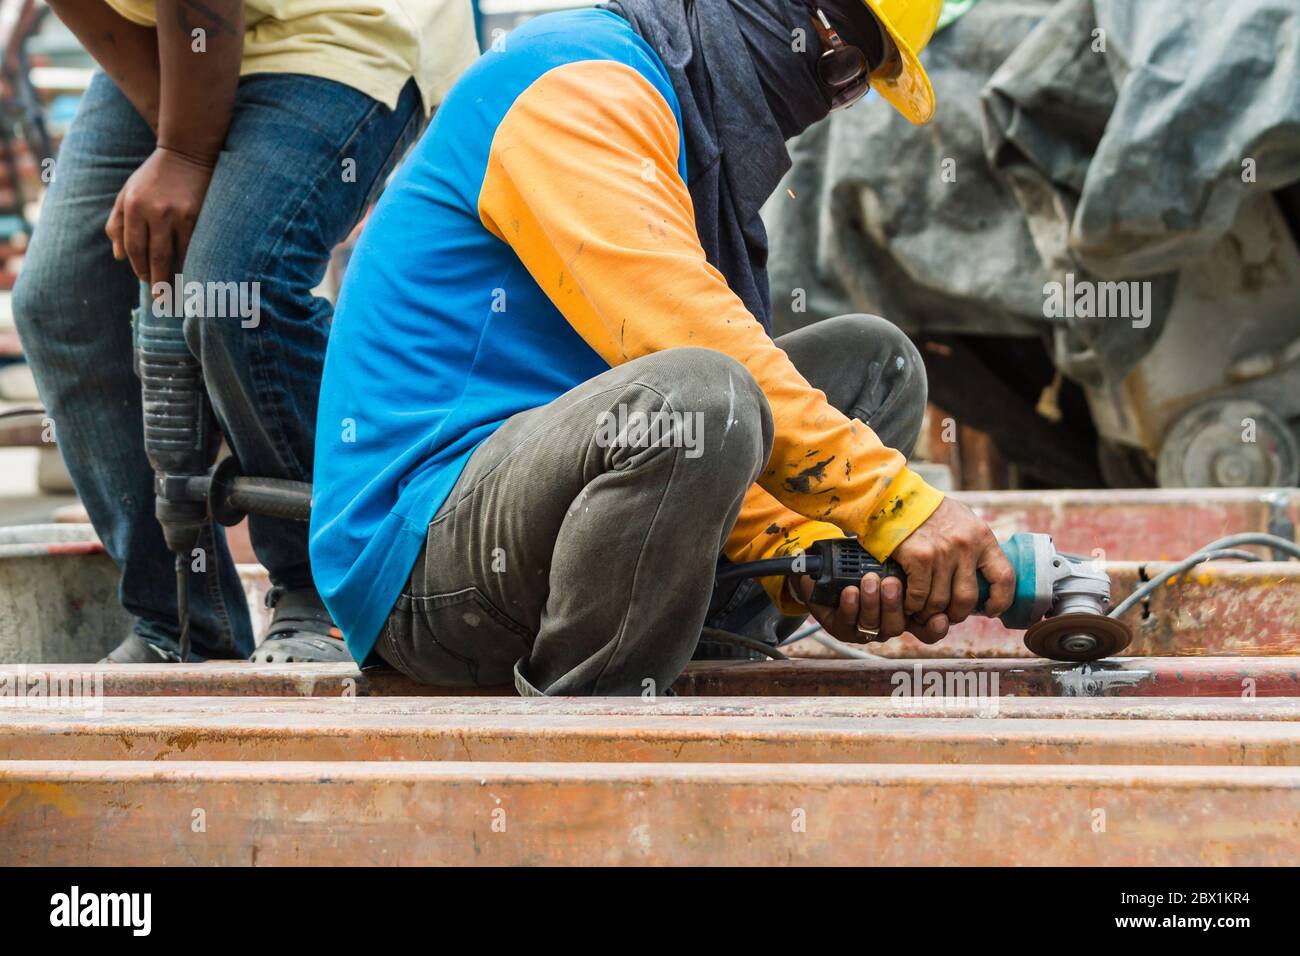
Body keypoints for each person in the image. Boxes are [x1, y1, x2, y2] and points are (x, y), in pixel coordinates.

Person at [311, 0, 1017, 696]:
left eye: (857, 82)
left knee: (872, 365)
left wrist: (804, 554)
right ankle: (597, 725)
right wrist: (897, 505)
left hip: (577, 494)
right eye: (837, 62)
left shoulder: (687, 130)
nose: (830, 100)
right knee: (704, 397)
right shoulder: (578, 80)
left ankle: (707, 645)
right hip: (426, 557)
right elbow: (688, 344)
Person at [14, 0, 478, 663]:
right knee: (62, 299)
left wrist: (183, 152)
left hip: (335, 24)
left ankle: (329, 594)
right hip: (167, 36)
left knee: (236, 287)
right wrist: (172, 130)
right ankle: (181, 623)